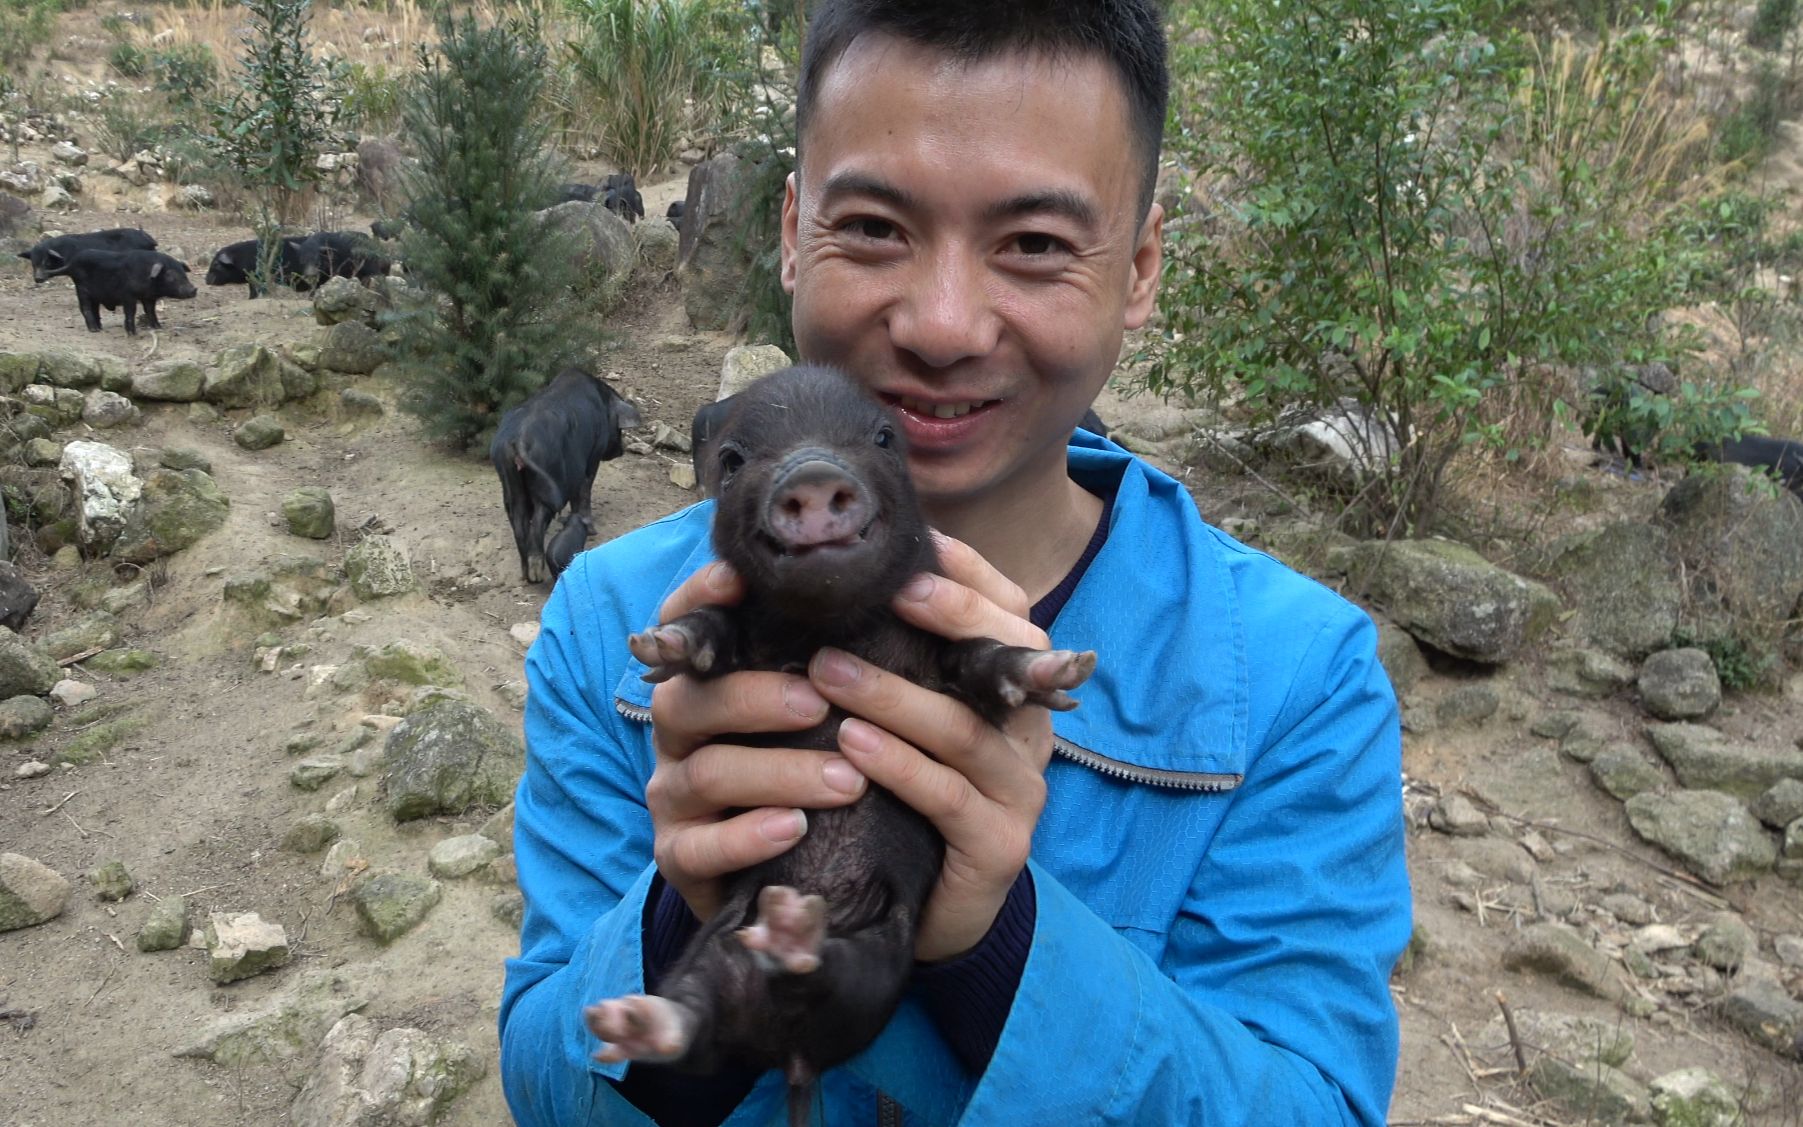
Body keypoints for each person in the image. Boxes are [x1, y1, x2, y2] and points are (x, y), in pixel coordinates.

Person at [499, 1, 1413, 1124]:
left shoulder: (1293, 682)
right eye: (875, 227)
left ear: (1139, 266)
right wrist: (684, 916)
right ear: (793, 230)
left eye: (1032, 244)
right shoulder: (612, 623)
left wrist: (1000, 945)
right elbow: (543, 1079)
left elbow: (1315, 1101)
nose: (941, 325)